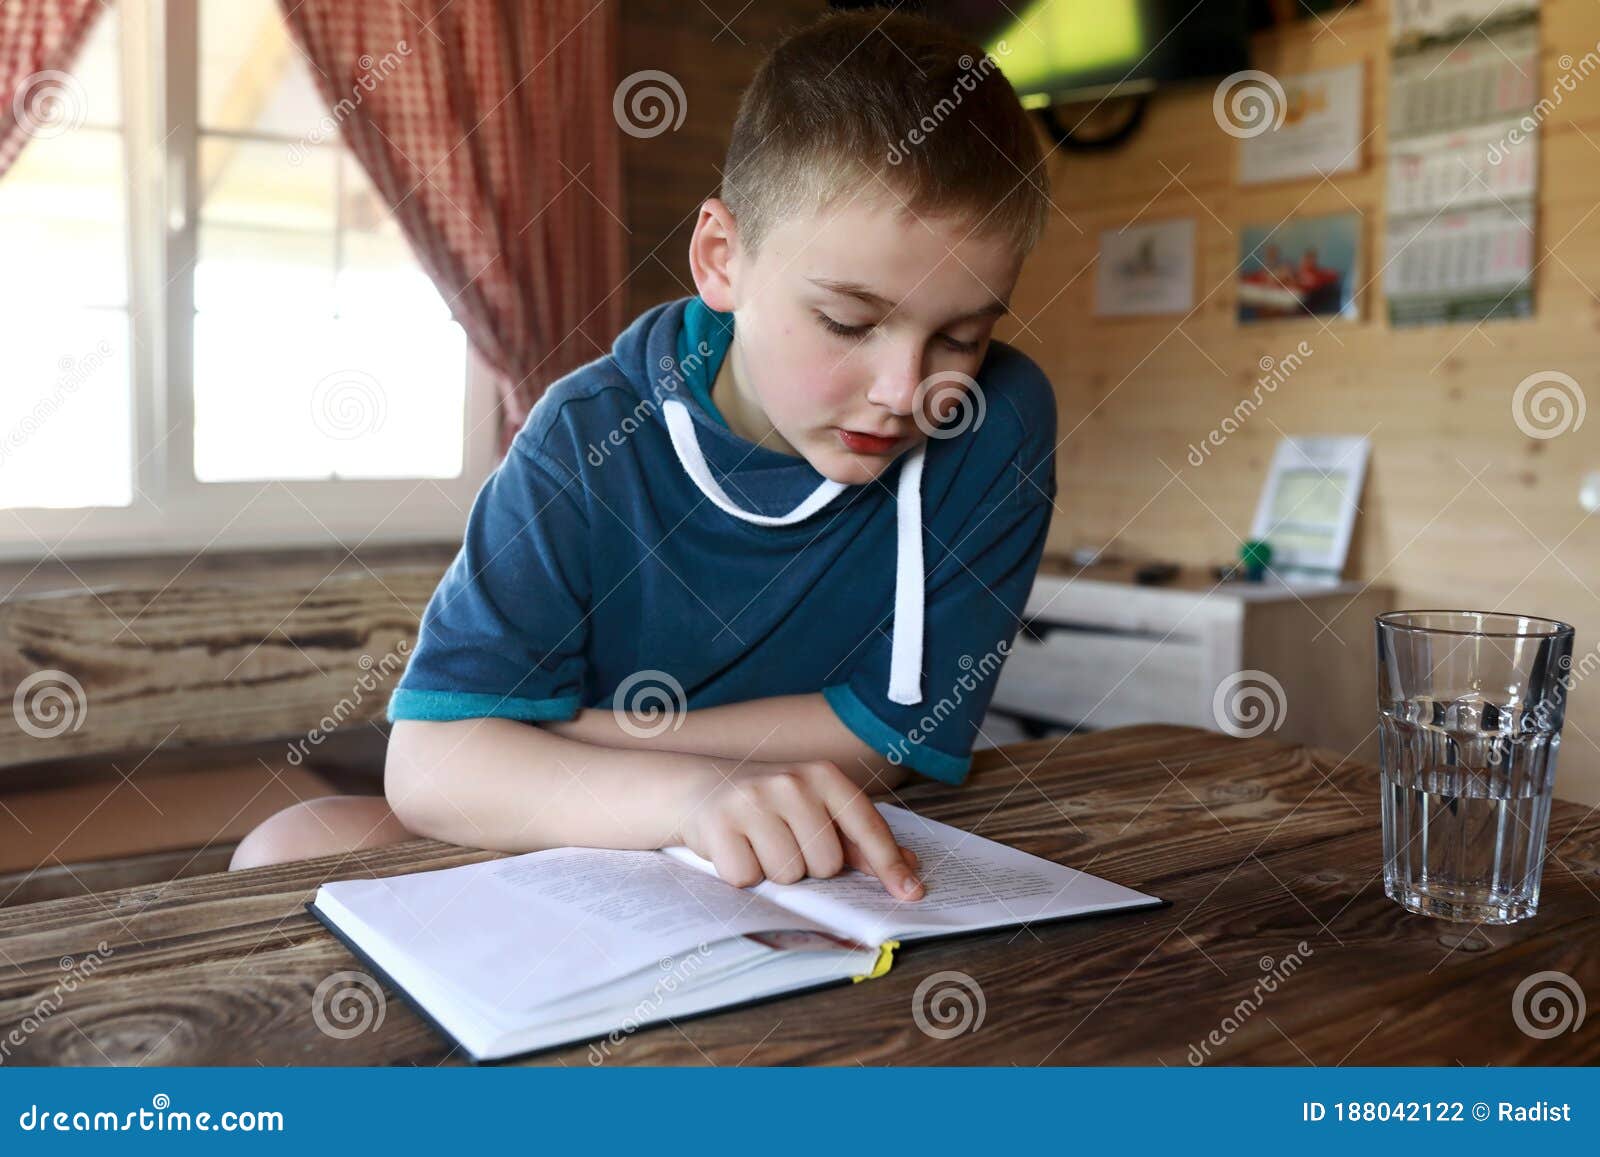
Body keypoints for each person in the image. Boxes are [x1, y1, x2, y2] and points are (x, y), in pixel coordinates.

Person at [230, 10, 1057, 900]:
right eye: (848, 322)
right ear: (720, 258)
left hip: (791, 845)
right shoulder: (584, 435)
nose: (908, 389)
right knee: (288, 847)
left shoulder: (995, 420)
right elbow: (434, 759)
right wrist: (689, 793)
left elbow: (890, 745)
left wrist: (573, 732)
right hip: (588, 820)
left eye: (962, 335)